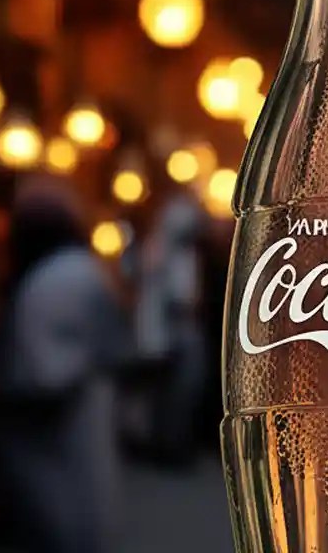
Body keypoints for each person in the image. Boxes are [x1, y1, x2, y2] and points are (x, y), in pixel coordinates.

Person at [0, 177, 125, 553]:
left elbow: (42, 373)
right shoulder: (78, 270)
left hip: (58, 420)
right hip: (77, 412)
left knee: (62, 518)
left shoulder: (58, 276)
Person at [134, 193, 207, 464]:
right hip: (173, 331)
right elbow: (180, 296)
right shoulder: (169, 251)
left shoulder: (176, 250)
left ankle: (171, 444)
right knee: (175, 392)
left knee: (174, 393)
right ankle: (169, 447)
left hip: (168, 332)